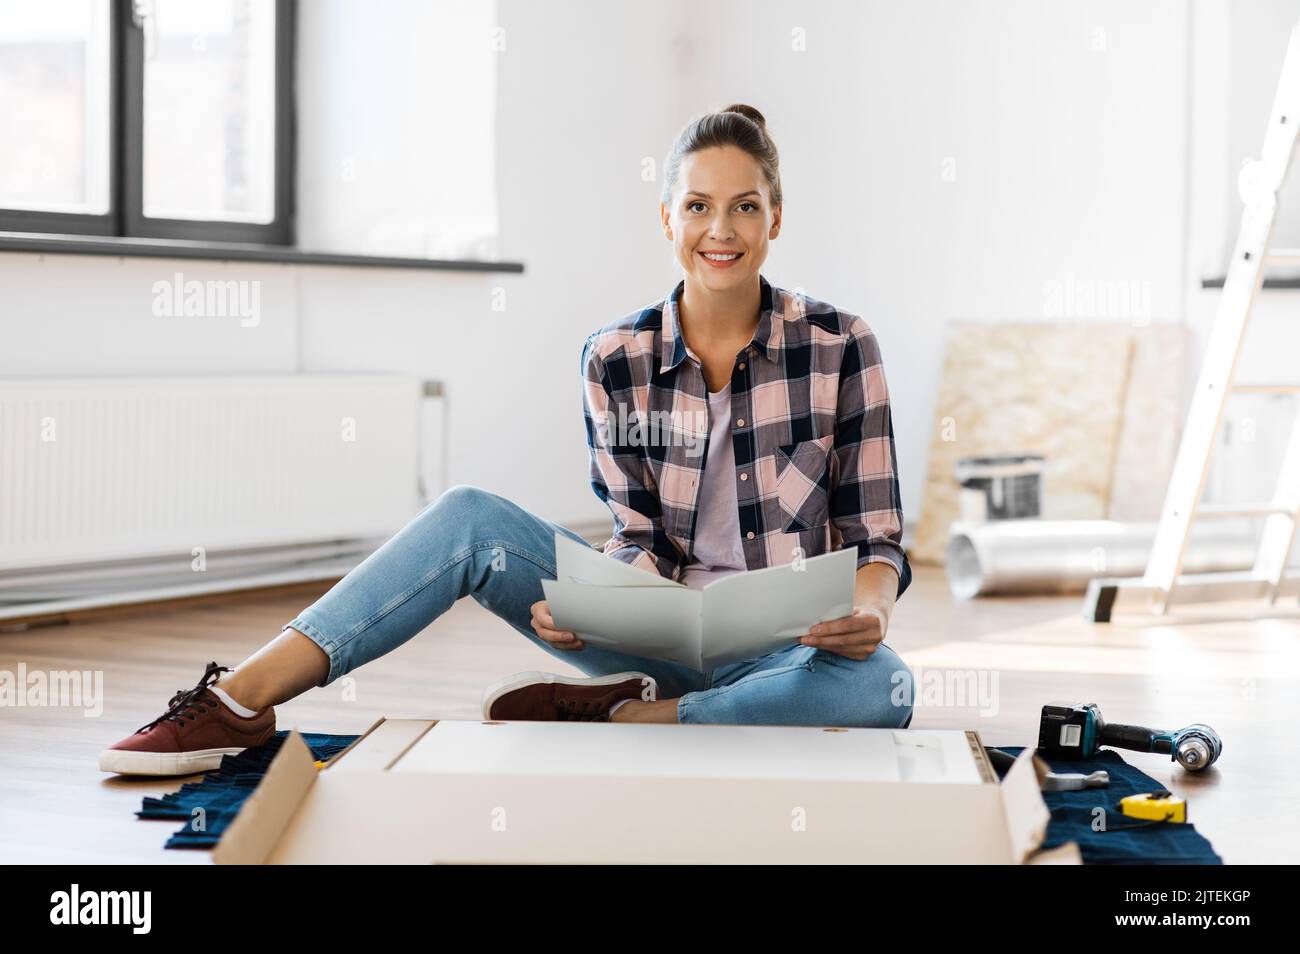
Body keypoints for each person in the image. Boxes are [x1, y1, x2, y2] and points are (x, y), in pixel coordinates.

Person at [99, 103, 915, 777]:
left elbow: (876, 539)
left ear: (776, 218)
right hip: (655, 631)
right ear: (668, 217)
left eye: (744, 205)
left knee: (884, 691)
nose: (721, 228)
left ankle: (639, 718)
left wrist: (871, 612)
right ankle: (238, 700)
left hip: (789, 654)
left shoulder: (841, 345)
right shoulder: (614, 357)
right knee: (467, 520)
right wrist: (587, 609)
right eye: (698, 205)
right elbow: (638, 538)